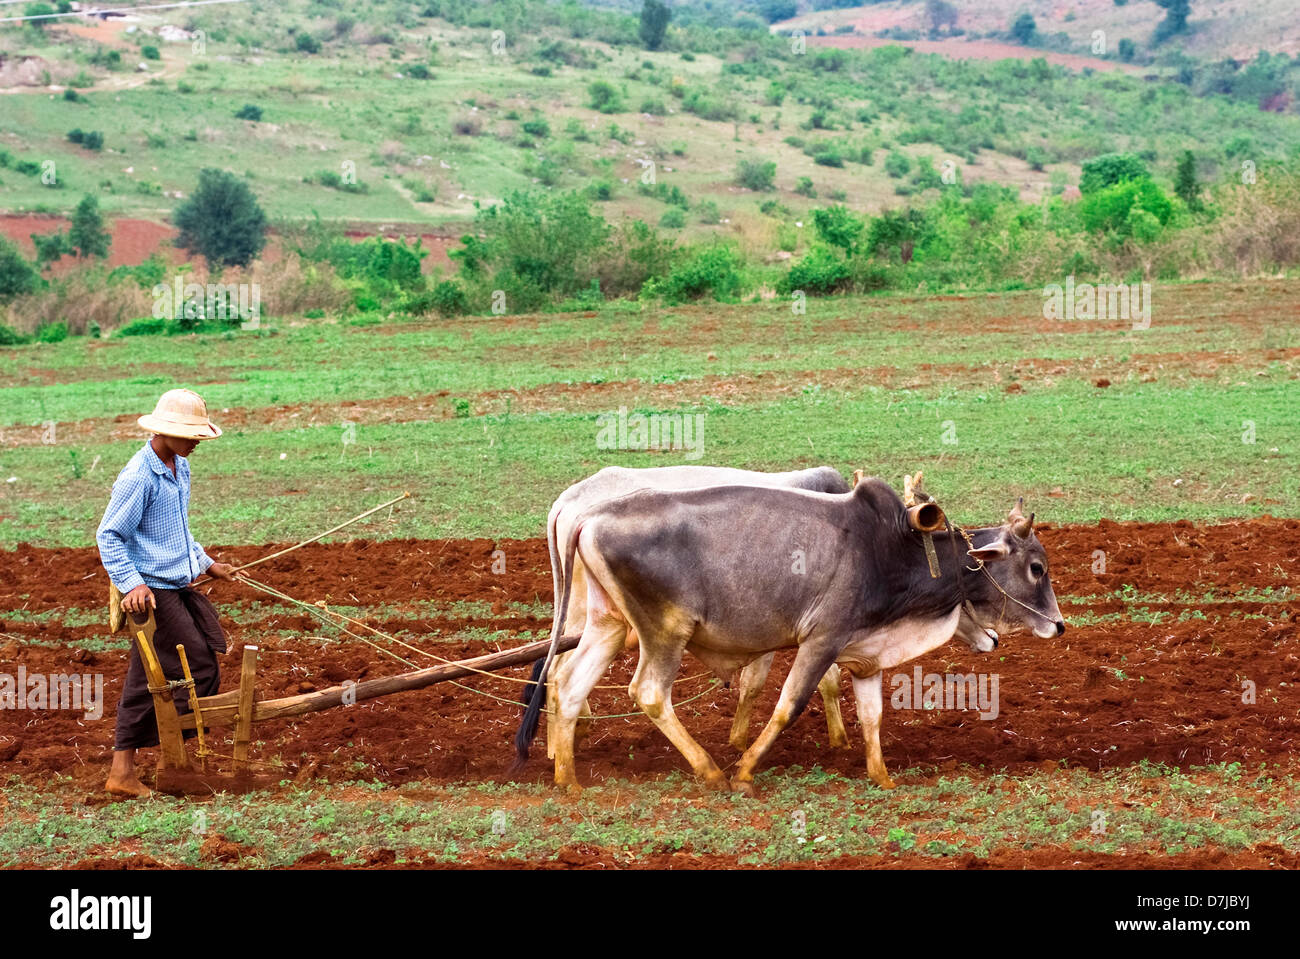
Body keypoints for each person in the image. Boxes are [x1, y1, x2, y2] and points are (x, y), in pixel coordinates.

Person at [96, 389, 240, 798]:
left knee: (149, 682)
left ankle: (133, 770)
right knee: (199, 668)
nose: (197, 441)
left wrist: (207, 563)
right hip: (153, 595)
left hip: (176, 585)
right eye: (190, 434)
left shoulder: (179, 466)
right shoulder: (138, 476)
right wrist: (132, 584)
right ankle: (170, 757)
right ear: (163, 431)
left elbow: (178, 531)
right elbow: (109, 536)